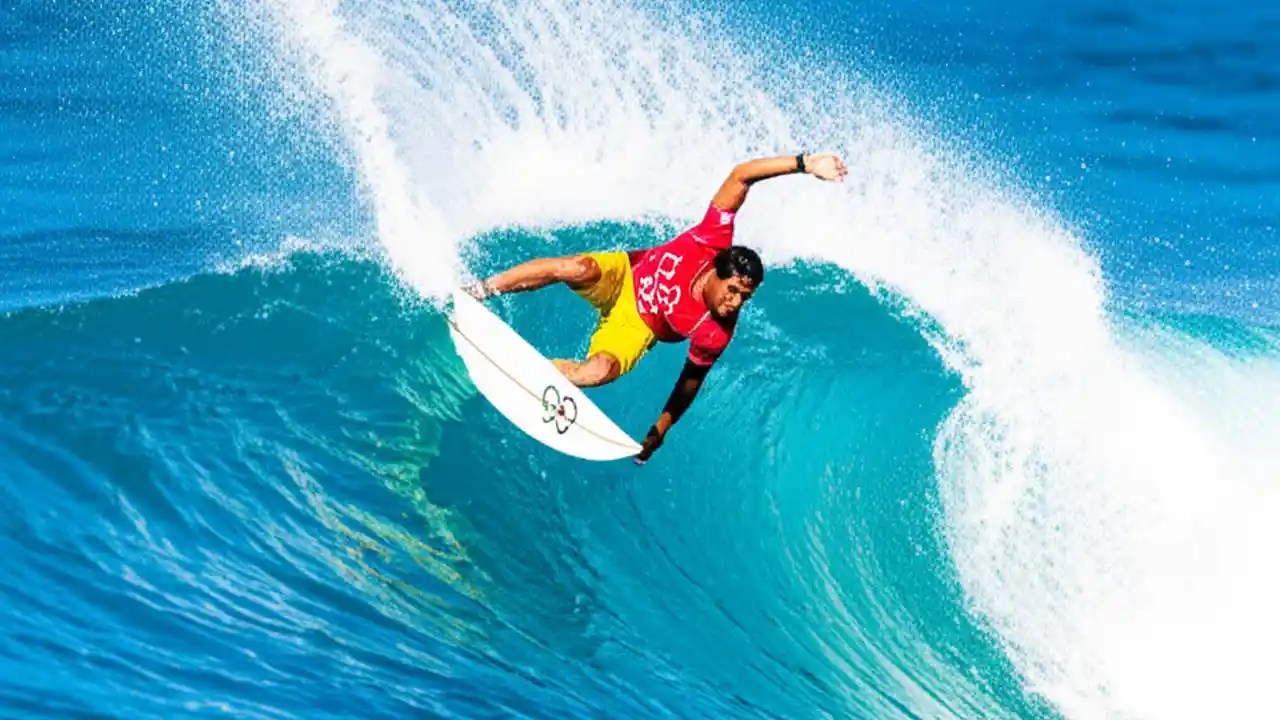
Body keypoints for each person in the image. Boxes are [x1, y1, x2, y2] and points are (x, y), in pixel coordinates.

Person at [466, 153, 847, 463]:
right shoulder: (710, 238)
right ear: (717, 271)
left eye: (744, 298)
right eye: (732, 291)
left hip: (638, 327)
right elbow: (741, 175)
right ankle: (481, 290)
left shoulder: (716, 332)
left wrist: (661, 429)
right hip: (624, 276)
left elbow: (689, 383)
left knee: (598, 372)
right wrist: (804, 164)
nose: (735, 303)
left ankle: (531, 374)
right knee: (575, 267)